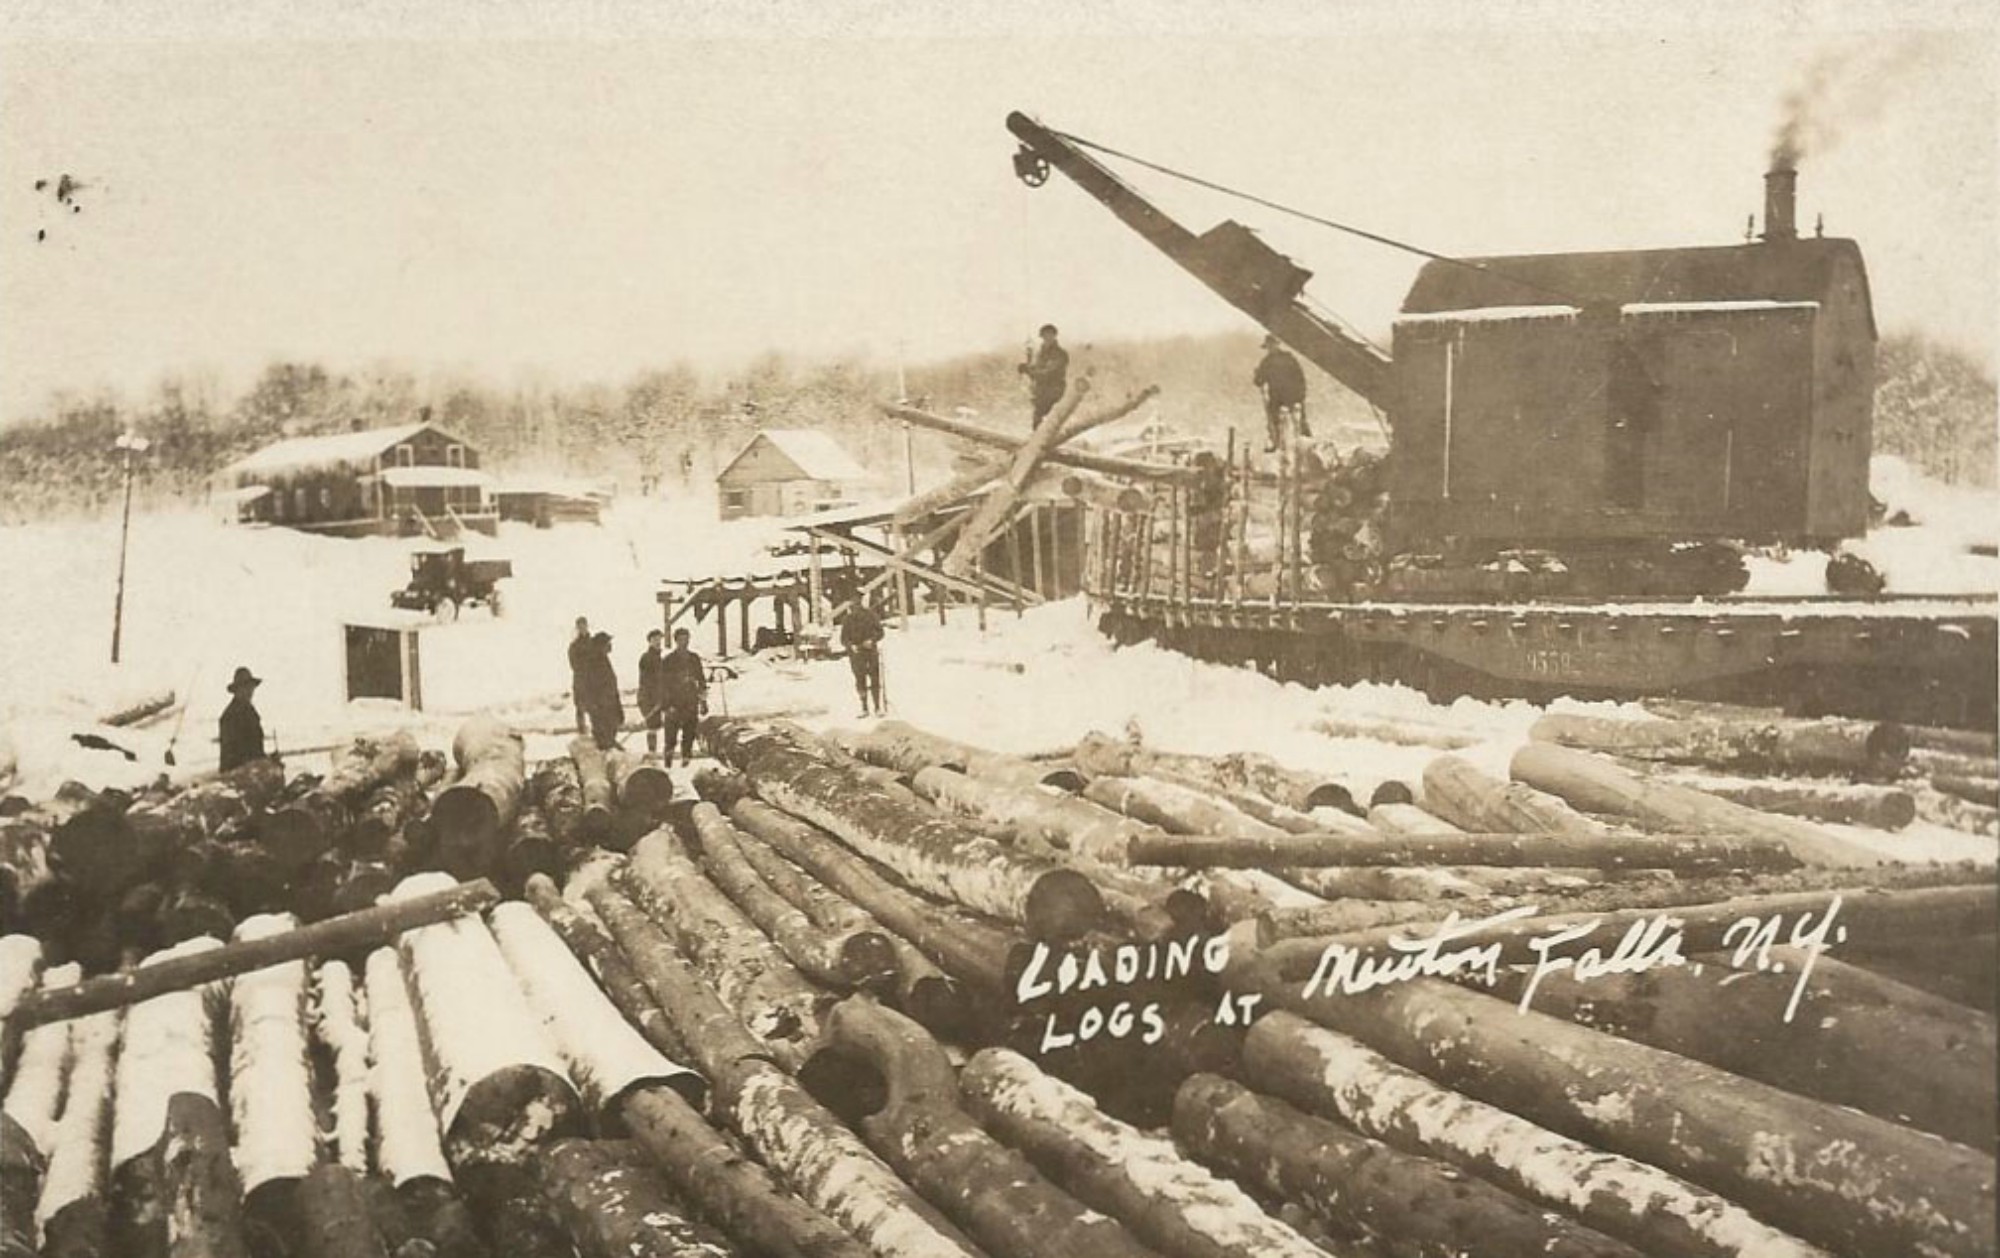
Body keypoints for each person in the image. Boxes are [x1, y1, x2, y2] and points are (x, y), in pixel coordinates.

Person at [1252, 333, 1311, 451]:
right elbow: (1259, 382)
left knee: (1300, 421)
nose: (1271, 348)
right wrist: (1257, 375)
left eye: (1272, 345)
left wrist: (1301, 394)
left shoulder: (1287, 358)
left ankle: (1307, 444)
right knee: (1274, 422)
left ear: (1277, 345)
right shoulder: (1267, 362)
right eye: (1269, 346)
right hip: (1277, 397)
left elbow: (1299, 377)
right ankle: (1276, 443)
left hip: (1291, 395)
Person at [659, 628, 709, 766]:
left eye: (686, 639)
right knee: (670, 737)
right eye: (681, 640)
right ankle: (668, 763)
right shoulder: (668, 661)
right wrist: (666, 705)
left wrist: (703, 702)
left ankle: (686, 762)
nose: (684, 643)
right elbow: (662, 685)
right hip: (674, 703)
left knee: (689, 734)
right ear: (676, 641)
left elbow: (701, 680)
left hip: (691, 702)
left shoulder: (694, 658)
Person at [576, 630, 624, 751]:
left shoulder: (603, 659)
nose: (610, 646)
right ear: (601, 645)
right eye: (608, 643)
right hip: (600, 710)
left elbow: (612, 687)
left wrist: (618, 710)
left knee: (609, 740)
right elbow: (586, 686)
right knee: (604, 742)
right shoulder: (592, 661)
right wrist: (593, 707)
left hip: (609, 708)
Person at [1016, 323, 1070, 429]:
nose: (1047, 338)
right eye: (1044, 336)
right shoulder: (1040, 353)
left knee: (1046, 419)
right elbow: (1036, 369)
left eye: (1049, 335)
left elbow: (1048, 374)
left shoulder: (1060, 354)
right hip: (1041, 391)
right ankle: (1038, 440)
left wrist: (1029, 371)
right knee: (1038, 419)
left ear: (1054, 336)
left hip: (1053, 391)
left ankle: (1043, 441)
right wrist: (1026, 367)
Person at [840, 600, 885, 717]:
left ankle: (877, 707)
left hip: (870, 651)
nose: (855, 606)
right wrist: (851, 646)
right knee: (860, 680)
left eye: (857, 602)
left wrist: (872, 640)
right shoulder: (847, 619)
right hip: (856, 654)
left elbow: (880, 632)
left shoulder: (871, 615)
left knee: (875, 678)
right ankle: (864, 708)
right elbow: (843, 639)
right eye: (853, 604)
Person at [219, 666, 267, 772]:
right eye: (245, 687)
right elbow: (231, 756)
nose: (249, 691)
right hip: (237, 773)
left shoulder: (251, 712)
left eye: (250, 687)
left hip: (253, 770)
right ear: (237, 690)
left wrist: (268, 760)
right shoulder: (229, 716)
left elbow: (257, 749)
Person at [637, 629, 669, 756]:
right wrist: (654, 699)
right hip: (648, 698)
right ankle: (652, 754)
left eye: (659, 639)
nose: (657, 642)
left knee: (658, 725)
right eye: (655, 639)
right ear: (649, 641)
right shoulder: (646, 658)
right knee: (652, 727)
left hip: (658, 697)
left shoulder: (658, 658)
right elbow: (646, 681)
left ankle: (658, 753)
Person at [567, 616, 593, 734]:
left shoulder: (594, 643)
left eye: (584, 625)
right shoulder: (574, 646)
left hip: (594, 681)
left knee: (595, 708)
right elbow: (574, 665)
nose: (582, 628)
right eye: (580, 626)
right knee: (580, 708)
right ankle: (582, 733)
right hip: (580, 680)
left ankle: (597, 733)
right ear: (577, 628)